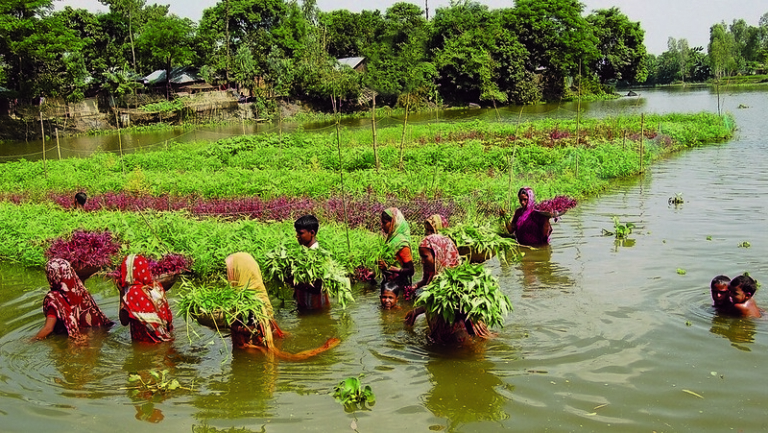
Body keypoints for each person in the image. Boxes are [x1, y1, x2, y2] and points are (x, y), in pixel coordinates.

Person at [227, 252, 340, 360]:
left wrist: (323, 349)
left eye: (229, 271)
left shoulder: (249, 308)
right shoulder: (258, 298)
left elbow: (280, 354)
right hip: (255, 349)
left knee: (280, 355)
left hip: (254, 361)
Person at [34, 258, 113, 342]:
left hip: (74, 342)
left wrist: (32, 340)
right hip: (97, 336)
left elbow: (48, 328)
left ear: (51, 276)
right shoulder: (80, 291)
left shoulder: (54, 299)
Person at [117, 254, 174, 343]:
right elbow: (168, 318)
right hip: (164, 336)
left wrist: (121, 294)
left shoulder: (132, 293)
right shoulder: (156, 287)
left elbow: (124, 321)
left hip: (145, 342)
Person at [292, 215, 329, 311]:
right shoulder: (303, 253)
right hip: (305, 306)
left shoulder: (319, 256)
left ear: (312, 233)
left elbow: (317, 288)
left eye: (300, 233)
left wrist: (293, 282)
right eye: (297, 232)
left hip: (316, 309)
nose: (297, 236)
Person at [378, 208, 415, 292]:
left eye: (384, 222)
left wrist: (389, 268)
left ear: (394, 223)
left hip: (399, 287)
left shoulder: (401, 244)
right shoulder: (390, 241)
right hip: (388, 285)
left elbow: (410, 270)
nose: (382, 226)